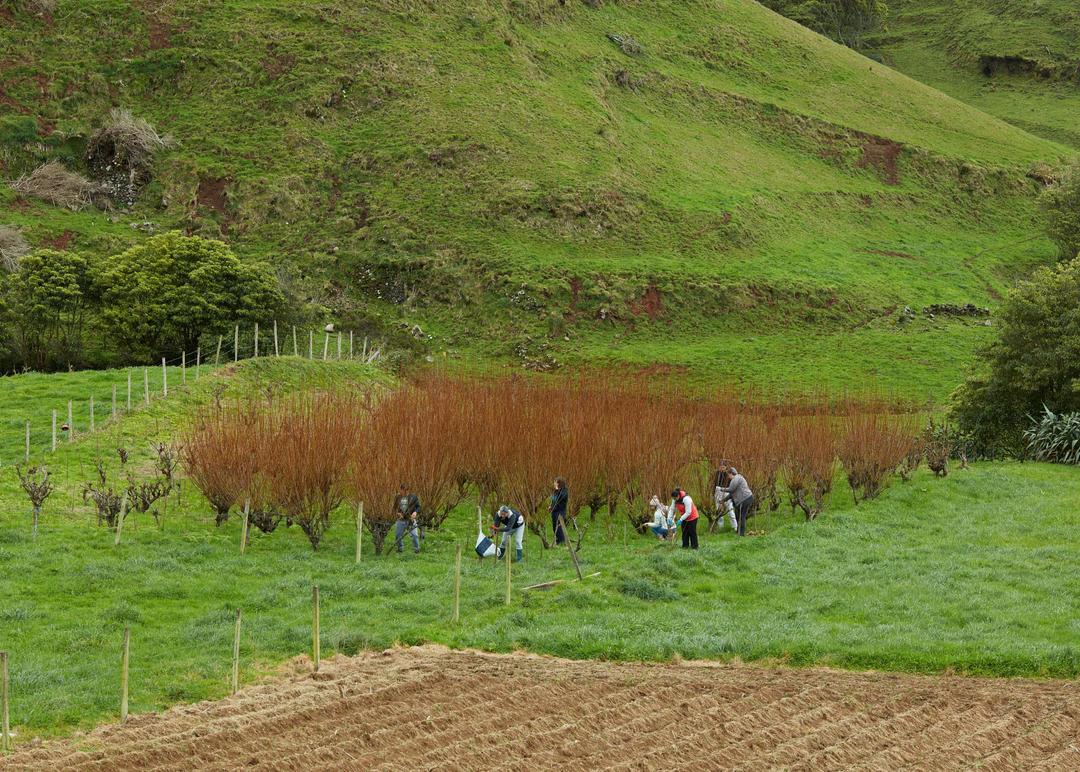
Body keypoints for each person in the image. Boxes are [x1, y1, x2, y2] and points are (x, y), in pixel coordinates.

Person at [717, 465, 755, 536]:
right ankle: (738, 530)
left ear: (731, 473)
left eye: (728, 475)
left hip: (745, 499)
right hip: (742, 499)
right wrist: (723, 500)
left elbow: (731, 489)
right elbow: (731, 494)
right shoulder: (736, 479)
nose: (728, 477)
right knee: (737, 515)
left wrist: (721, 489)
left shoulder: (736, 478)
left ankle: (741, 534)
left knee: (741, 516)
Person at [393, 484, 421, 554]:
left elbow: (418, 507)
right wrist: (398, 514)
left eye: (407, 490)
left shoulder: (413, 497)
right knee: (398, 535)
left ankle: (416, 549)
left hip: (411, 520)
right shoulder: (397, 497)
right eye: (404, 490)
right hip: (401, 520)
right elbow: (394, 509)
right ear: (401, 490)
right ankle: (400, 549)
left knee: (415, 535)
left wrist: (415, 512)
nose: (405, 492)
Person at [549, 477, 568, 545]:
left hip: (560, 511)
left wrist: (557, 490)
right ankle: (557, 541)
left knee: (559, 527)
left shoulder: (564, 491)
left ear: (559, 483)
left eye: (555, 482)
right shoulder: (555, 491)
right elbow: (554, 500)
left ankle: (561, 542)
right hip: (554, 511)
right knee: (555, 527)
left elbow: (561, 497)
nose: (554, 483)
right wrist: (551, 506)